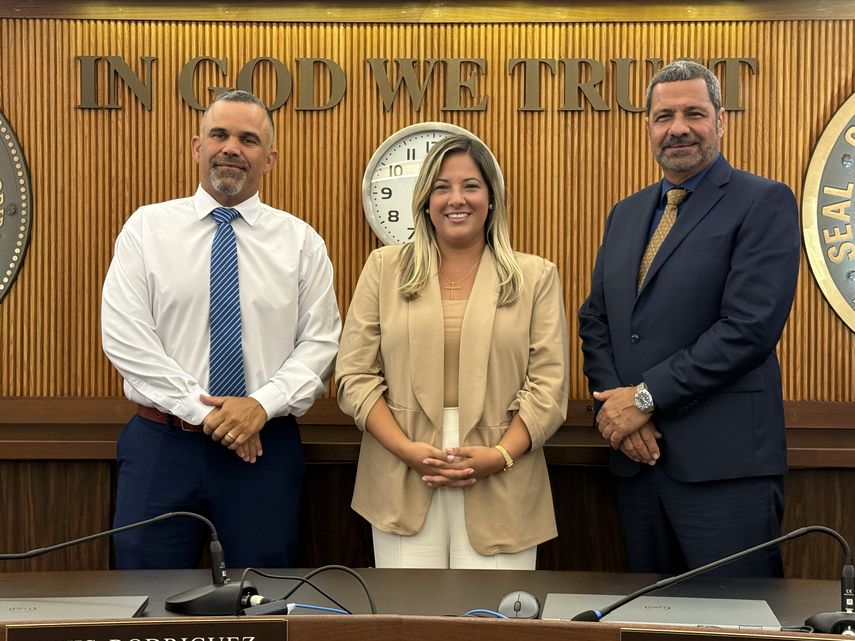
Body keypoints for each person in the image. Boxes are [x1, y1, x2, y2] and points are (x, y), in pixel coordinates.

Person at [101, 90, 341, 569]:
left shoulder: (300, 242)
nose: (232, 147)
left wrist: (259, 405)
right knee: (142, 598)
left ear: (268, 159)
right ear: (197, 147)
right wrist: (207, 413)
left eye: (248, 139)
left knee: (262, 599)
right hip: (162, 446)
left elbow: (320, 343)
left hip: (264, 452)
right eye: (220, 134)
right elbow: (126, 338)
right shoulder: (146, 229)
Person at [578, 59, 800, 577]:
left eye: (694, 113)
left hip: (726, 471)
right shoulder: (626, 213)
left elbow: (748, 329)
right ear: (649, 127)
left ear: (721, 121)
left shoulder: (763, 202)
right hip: (639, 463)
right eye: (664, 116)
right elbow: (597, 320)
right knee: (649, 625)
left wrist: (644, 398)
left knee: (738, 625)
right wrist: (620, 419)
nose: (677, 127)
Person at [336, 134, 569, 569]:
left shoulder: (535, 277)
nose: (455, 199)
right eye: (441, 186)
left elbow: (549, 388)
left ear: (492, 199)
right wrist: (407, 450)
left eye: (471, 186)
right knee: (411, 623)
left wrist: (499, 456)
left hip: (503, 472)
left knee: (495, 630)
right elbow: (354, 378)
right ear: (425, 200)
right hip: (401, 471)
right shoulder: (384, 269)